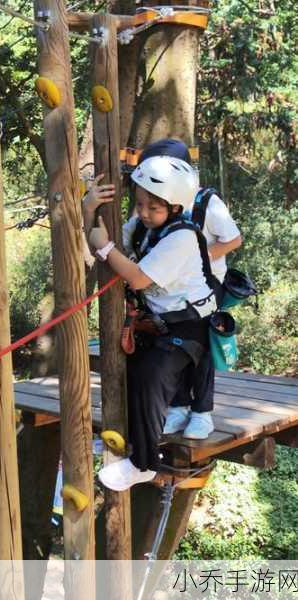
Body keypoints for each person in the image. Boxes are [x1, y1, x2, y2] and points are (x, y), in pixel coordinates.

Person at [85, 155, 217, 491]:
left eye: (153, 207)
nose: (143, 212)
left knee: (150, 375)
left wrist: (105, 248)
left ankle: (144, 463)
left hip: (190, 326)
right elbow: (106, 238)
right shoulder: (145, 227)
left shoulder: (181, 237)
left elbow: (138, 277)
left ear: (174, 208)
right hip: (160, 324)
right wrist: (89, 211)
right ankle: (132, 442)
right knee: (131, 372)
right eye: (139, 203)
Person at [126, 139, 242, 440]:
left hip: (206, 284)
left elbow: (233, 239)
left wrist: (191, 258)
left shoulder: (205, 202)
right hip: (167, 288)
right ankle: (178, 407)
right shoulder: (150, 204)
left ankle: (202, 413)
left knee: (200, 347)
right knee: (169, 343)